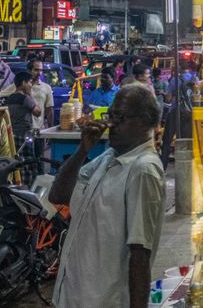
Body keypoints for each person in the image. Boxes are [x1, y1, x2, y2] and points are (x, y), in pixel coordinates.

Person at [49, 86, 165, 307]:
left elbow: (140, 254)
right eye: (110, 115)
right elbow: (59, 195)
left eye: (119, 117)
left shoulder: (143, 170)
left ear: (144, 122)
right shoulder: (108, 159)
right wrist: (82, 150)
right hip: (72, 297)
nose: (110, 124)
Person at [28, 59, 55, 131]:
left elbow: (49, 110)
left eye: (41, 70)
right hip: (23, 129)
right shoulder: (19, 86)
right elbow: (0, 95)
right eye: (36, 70)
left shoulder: (46, 87)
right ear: (29, 70)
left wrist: (50, 130)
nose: (39, 73)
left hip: (39, 129)